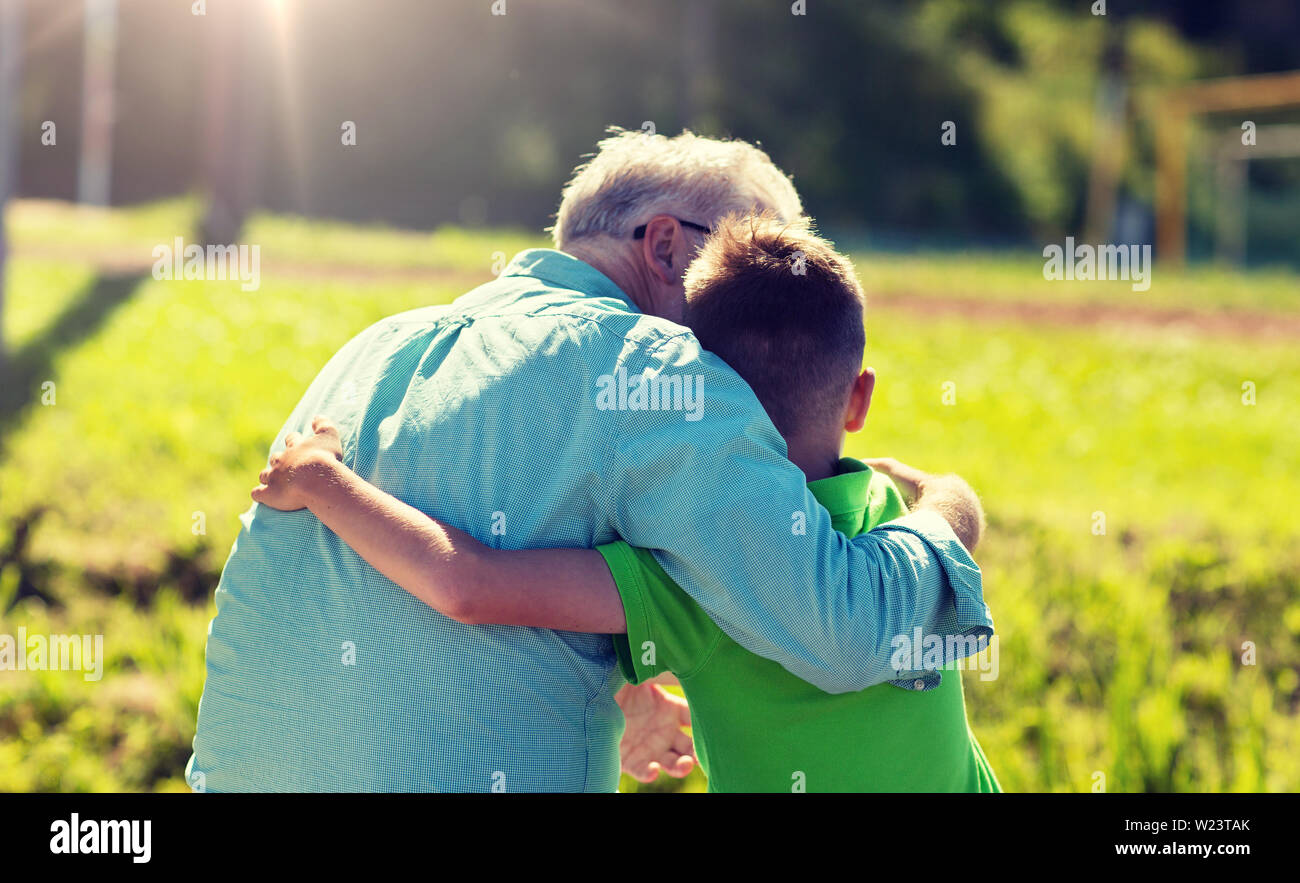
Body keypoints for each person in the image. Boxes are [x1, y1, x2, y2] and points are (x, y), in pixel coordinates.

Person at [188, 129, 990, 792]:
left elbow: (493, 549)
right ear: (667, 245)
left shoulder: (367, 349)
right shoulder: (659, 368)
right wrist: (952, 509)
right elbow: (845, 626)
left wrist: (626, 685)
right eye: (735, 267)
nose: (745, 316)